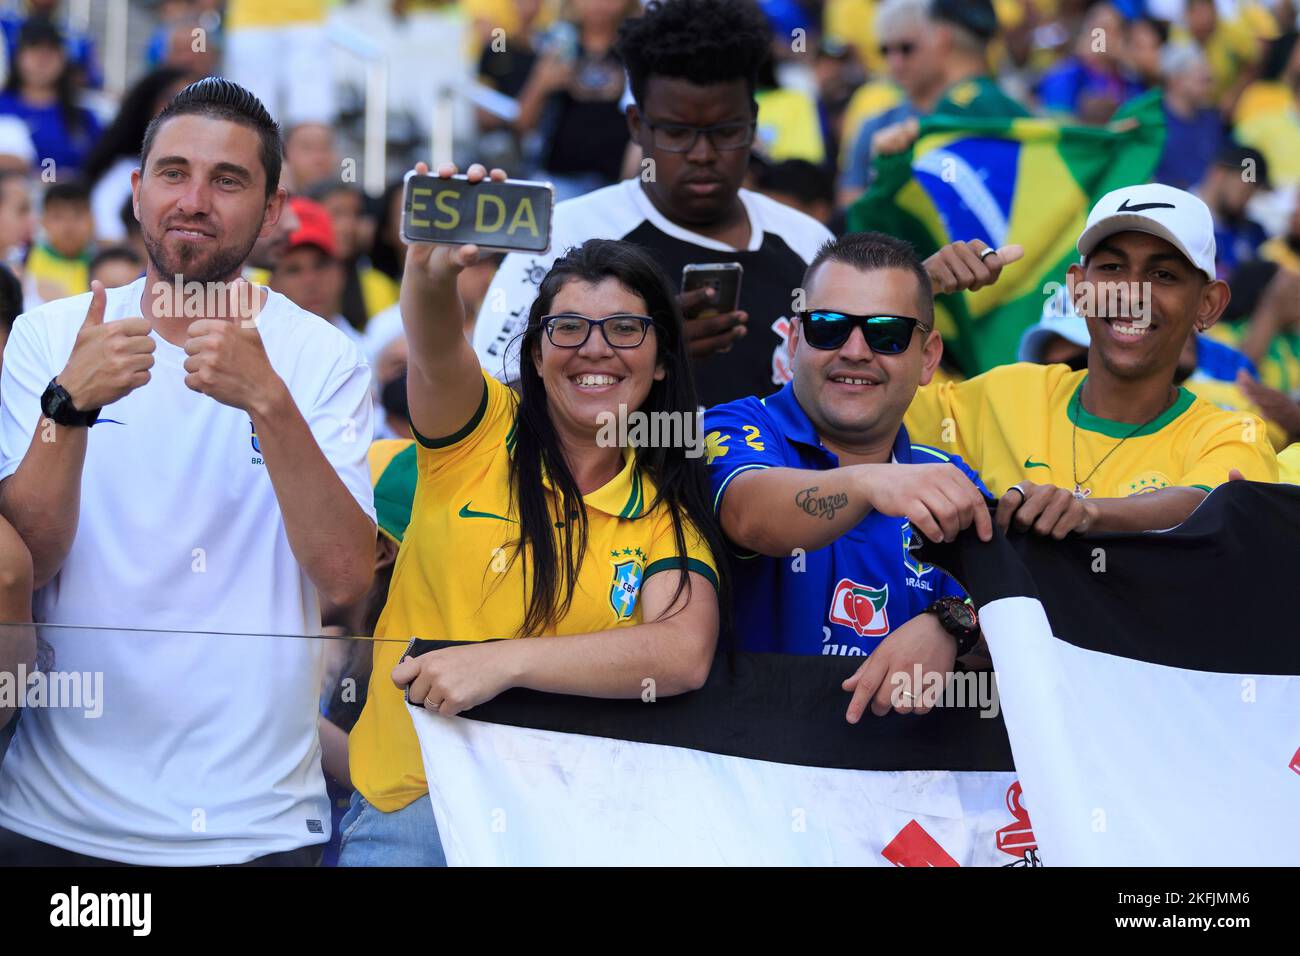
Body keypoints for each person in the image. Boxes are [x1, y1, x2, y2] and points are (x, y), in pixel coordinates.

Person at [0, 77, 376, 866]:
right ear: (136, 194)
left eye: (228, 180)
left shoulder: (322, 357)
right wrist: (68, 409)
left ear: (272, 210)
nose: (194, 199)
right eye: (173, 173)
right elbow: (25, 564)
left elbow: (346, 583)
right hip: (54, 816)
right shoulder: (51, 339)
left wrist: (269, 404)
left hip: (258, 825)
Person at [344, 162, 727, 866]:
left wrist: (501, 664)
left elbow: (680, 653)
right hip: (412, 813)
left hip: (563, 829)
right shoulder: (483, 432)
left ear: (663, 362)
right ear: (539, 351)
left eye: (625, 329)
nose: (596, 348)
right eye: (570, 327)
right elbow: (433, 346)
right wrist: (431, 267)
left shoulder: (665, 511)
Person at [703, 231, 1008, 720]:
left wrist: (951, 625)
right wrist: (871, 481)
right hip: (747, 768)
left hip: (892, 783)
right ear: (795, 339)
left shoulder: (950, 475)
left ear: (928, 357)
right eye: (829, 327)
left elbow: (1017, 613)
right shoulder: (734, 425)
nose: (856, 351)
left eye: (886, 333)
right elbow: (750, 516)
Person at [473, 0, 834, 408]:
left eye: (726, 131)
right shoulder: (564, 234)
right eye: (678, 133)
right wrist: (645, 351)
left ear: (753, 123)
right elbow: (495, 401)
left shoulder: (809, 243)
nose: (703, 153)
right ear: (636, 126)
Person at [905, 183, 1279, 535]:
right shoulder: (1004, 394)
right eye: (1112, 268)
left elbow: (1207, 505)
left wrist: (1088, 513)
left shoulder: (1229, 434)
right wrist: (919, 285)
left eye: (1163, 275)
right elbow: (860, 409)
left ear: (1208, 305)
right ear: (1078, 290)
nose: (1131, 294)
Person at [839, 0, 1031, 207]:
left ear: (940, 41)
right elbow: (852, 209)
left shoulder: (979, 106)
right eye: (885, 50)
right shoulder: (875, 125)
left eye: (907, 48)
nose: (896, 63)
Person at [515, 0, 636, 199]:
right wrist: (541, 83)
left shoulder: (635, 47)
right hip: (559, 180)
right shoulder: (556, 44)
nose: (599, 5)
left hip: (616, 186)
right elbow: (522, 123)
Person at [81, 66, 196, 244]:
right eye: (173, 98)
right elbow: (108, 237)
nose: (185, 110)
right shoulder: (123, 173)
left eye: (194, 101)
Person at [0, 19, 101, 177]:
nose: (42, 58)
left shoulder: (84, 117)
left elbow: (100, 166)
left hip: (71, 198)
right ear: (18, 56)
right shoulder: (2, 107)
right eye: (34, 48)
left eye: (51, 50)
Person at [269, 195, 357, 342]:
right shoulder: (250, 354)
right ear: (272, 283)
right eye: (293, 270)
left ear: (341, 272)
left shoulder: (372, 355)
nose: (311, 280)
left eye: (320, 265)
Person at [1154, 44, 1224, 192]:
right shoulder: (1153, 122)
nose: (1209, 87)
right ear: (1175, 80)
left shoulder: (1212, 120)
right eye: (1202, 79)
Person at [1199, 144, 1270, 280]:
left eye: (1255, 188)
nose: (1249, 193)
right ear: (1219, 173)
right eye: (1245, 184)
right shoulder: (1177, 215)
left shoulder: (1254, 232)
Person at [25, 180, 92, 302]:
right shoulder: (25, 260)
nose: (68, 226)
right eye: (58, 217)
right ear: (43, 221)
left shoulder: (101, 266)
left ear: (92, 220)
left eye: (78, 215)